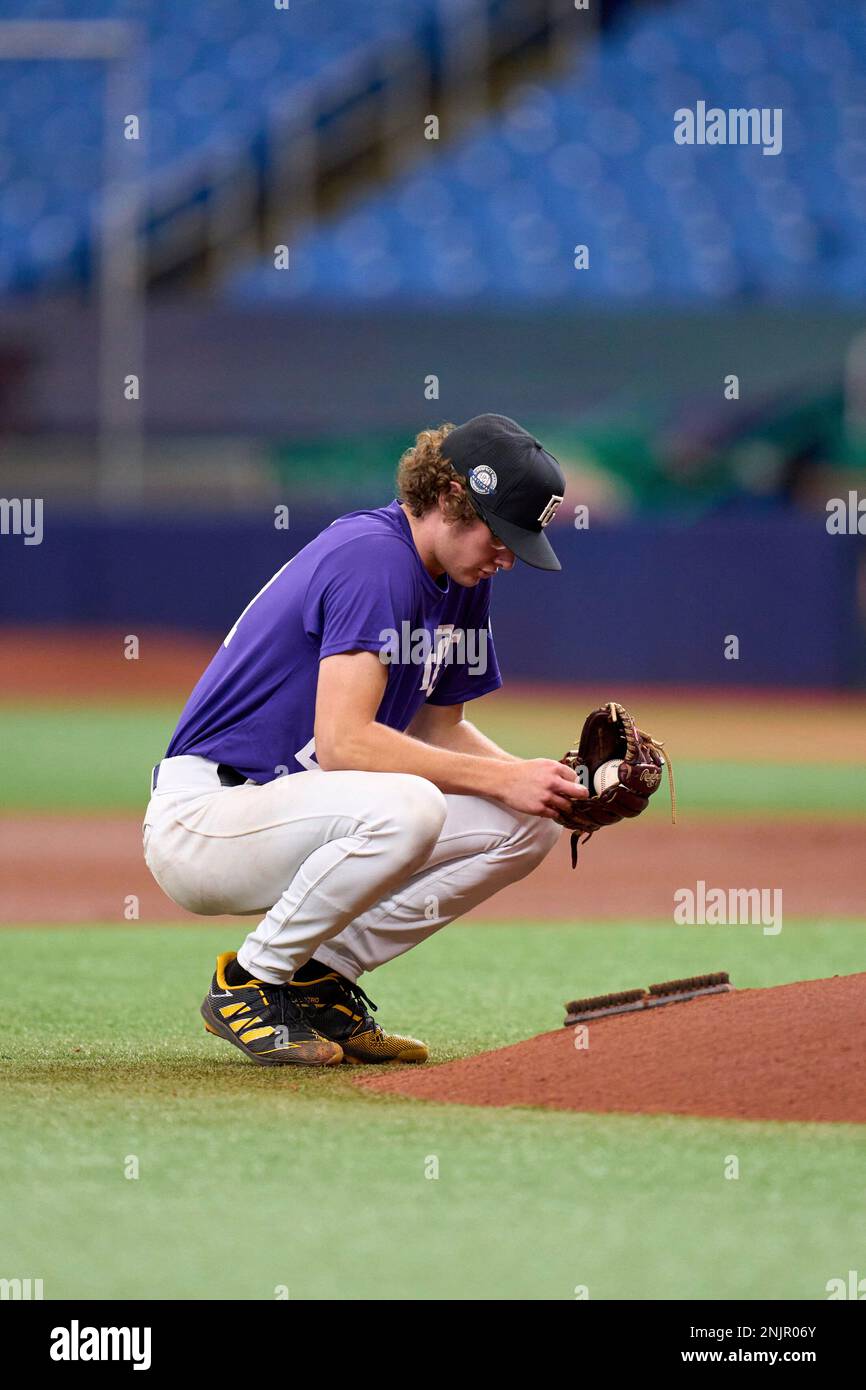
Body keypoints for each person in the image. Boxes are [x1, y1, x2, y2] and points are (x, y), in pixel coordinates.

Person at [142, 414, 584, 1067]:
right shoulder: (374, 559)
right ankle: (250, 982)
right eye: (502, 534)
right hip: (208, 820)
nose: (508, 557)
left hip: (299, 809)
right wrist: (504, 778)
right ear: (452, 499)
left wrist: (549, 788)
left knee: (528, 823)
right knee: (411, 806)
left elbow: (441, 732)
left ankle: (320, 980)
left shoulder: (461, 582)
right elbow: (346, 743)